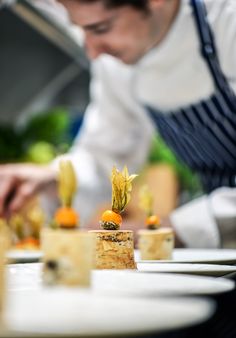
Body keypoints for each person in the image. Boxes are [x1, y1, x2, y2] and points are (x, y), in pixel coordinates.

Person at [0, 0, 235, 248]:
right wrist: (53, 178)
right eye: (82, 30)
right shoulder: (115, 64)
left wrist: (174, 227)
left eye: (100, 28)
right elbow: (105, 161)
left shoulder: (228, 21)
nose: (92, 51)